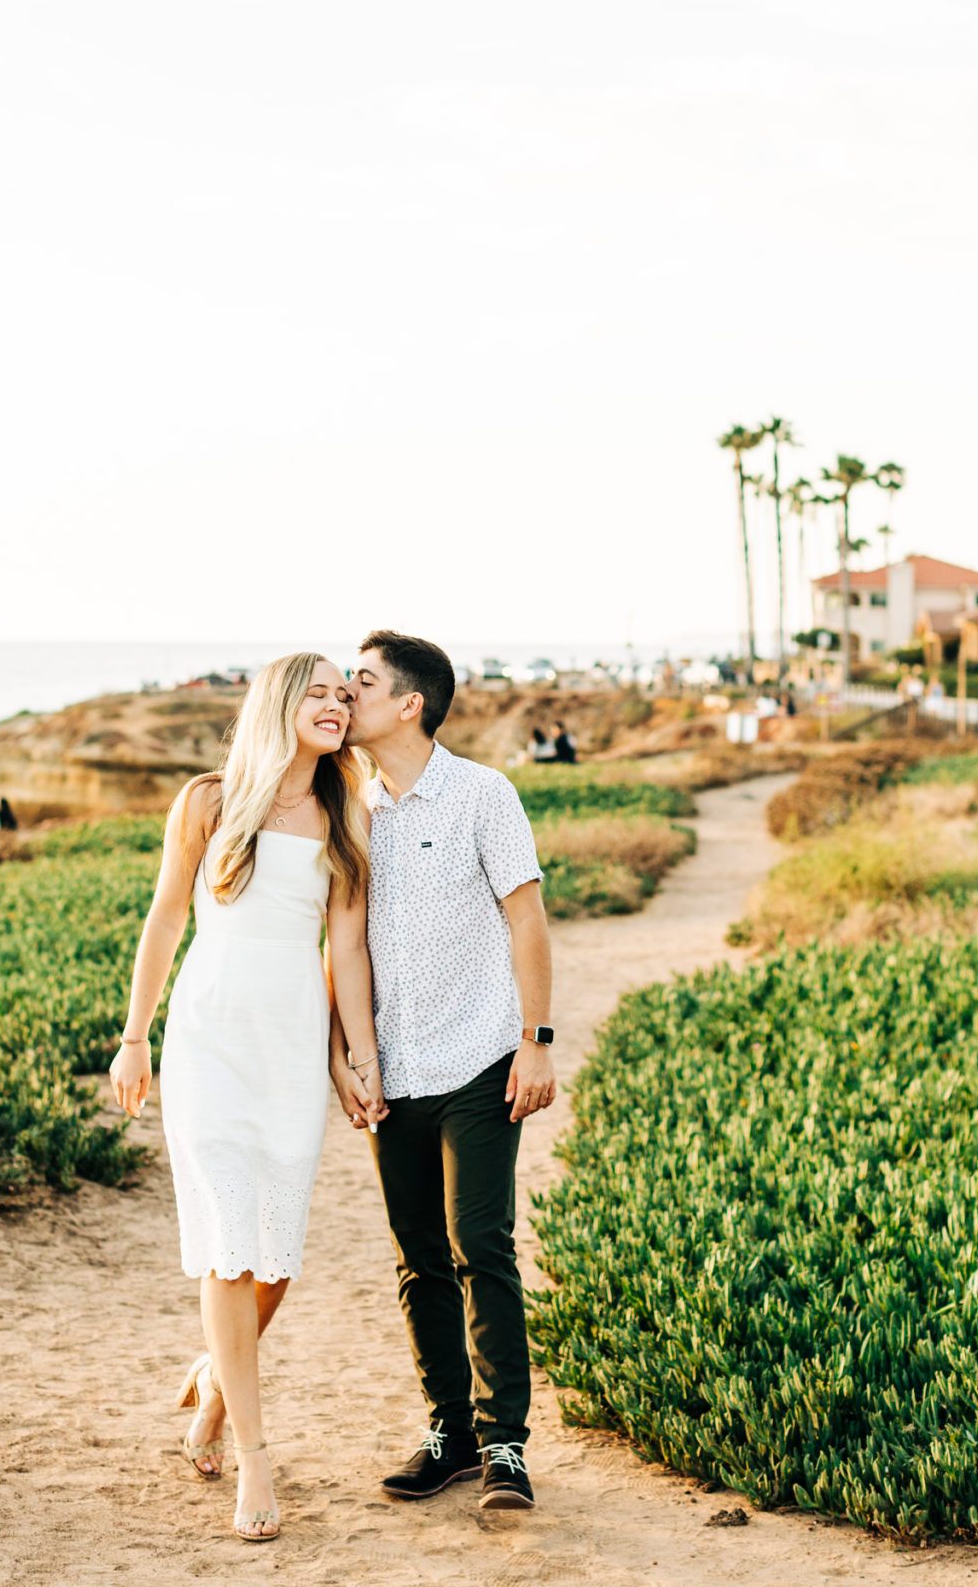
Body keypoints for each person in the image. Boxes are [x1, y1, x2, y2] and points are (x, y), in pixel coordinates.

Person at [109, 653, 384, 1544]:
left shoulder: (345, 815)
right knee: (228, 1250)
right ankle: (252, 1455)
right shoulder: (206, 802)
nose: (337, 705)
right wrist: (134, 1037)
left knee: (275, 1259)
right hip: (208, 1041)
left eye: (344, 695)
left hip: (290, 1045)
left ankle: (215, 1378)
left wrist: (353, 1057)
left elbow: (346, 951)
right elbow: (165, 917)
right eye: (319, 692)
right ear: (278, 702)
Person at [338, 630, 555, 1512]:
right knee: (418, 1259)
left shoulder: (482, 793)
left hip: (479, 1061)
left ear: (408, 704)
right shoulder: (351, 807)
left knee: (481, 1246)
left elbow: (527, 917)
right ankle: (451, 1436)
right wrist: (349, 1057)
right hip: (393, 1070)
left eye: (360, 681)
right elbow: (341, 945)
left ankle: (505, 1444)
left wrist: (536, 1038)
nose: (344, 693)